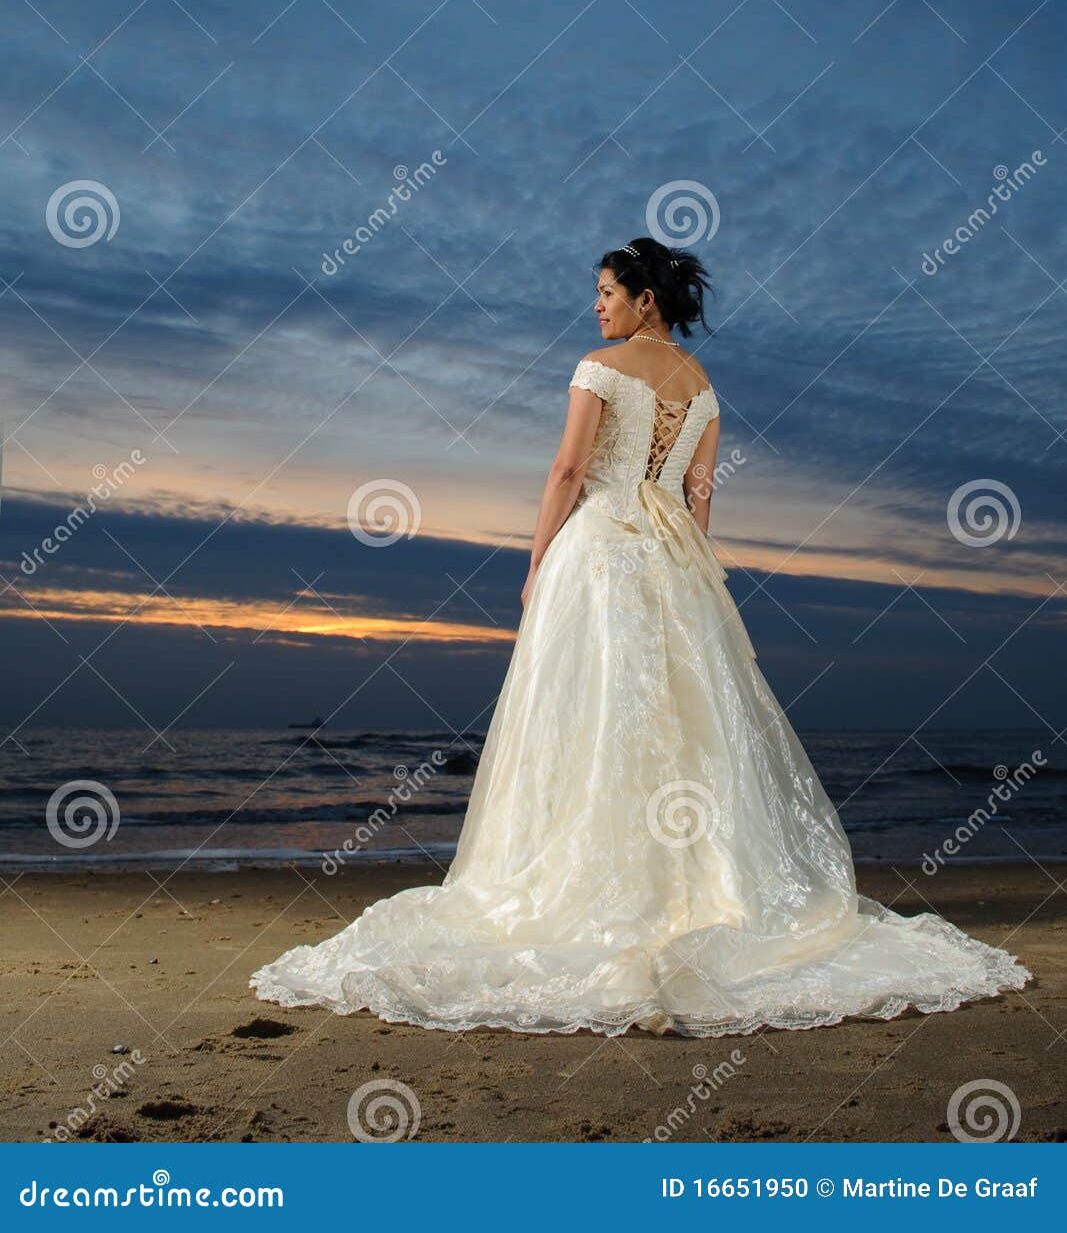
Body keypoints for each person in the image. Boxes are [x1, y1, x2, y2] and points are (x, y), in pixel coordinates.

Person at [250, 237, 1029, 1036]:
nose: (596, 306)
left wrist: (535, 563)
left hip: (599, 555)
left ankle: (592, 888)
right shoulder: (705, 390)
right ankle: (691, 888)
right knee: (683, 727)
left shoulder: (597, 368)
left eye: (606, 292)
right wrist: (688, 576)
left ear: (643, 299)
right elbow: (698, 501)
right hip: (674, 567)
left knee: (584, 713)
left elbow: (565, 471)